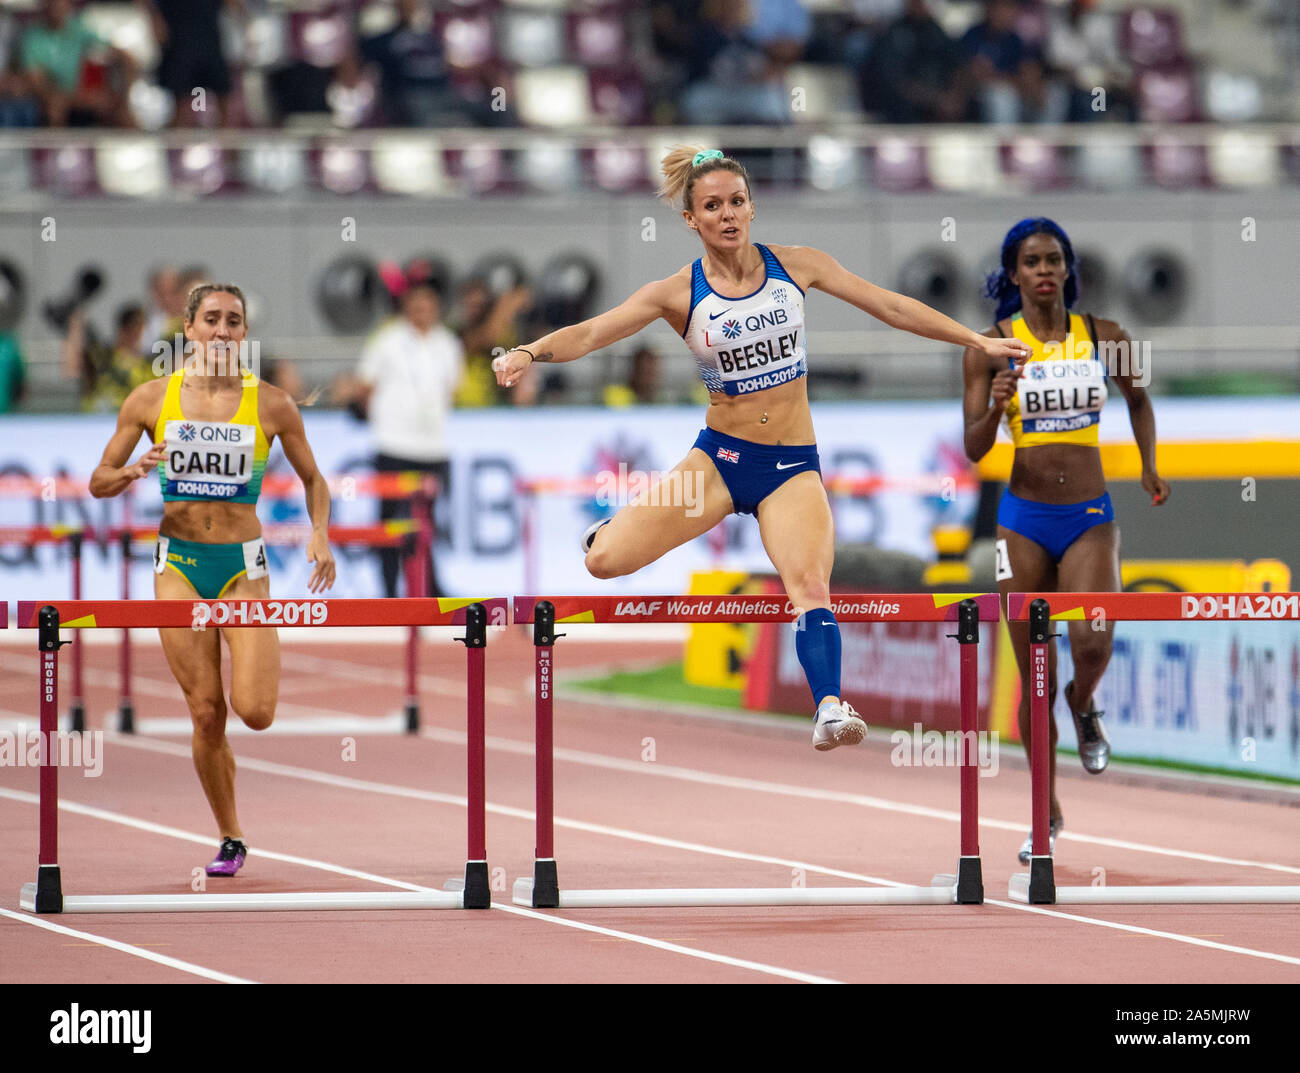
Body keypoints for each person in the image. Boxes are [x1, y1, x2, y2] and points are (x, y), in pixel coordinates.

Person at [494, 146, 1030, 751]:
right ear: (691, 220)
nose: (729, 215)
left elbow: (892, 307)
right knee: (603, 562)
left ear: (752, 207)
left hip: (790, 467)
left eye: (738, 202)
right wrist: (529, 352)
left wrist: (974, 342)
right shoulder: (677, 293)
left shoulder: (798, 266)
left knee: (809, 585)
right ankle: (603, 532)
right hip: (718, 463)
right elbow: (592, 332)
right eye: (713, 206)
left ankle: (829, 706)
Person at [89, 283, 335, 877]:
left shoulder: (272, 404)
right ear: (190, 330)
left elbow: (315, 480)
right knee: (205, 712)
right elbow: (98, 481)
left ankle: (233, 812)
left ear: (243, 334)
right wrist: (129, 471)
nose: (223, 331)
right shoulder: (151, 399)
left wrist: (320, 532)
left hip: (242, 568)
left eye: (234, 321)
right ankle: (231, 835)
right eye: (212, 320)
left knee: (255, 710)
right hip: (178, 563)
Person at [961, 217, 1170, 862]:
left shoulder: (1105, 337)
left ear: (1068, 269)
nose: (1045, 270)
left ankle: (1085, 703)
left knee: (1093, 640)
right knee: (1035, 678)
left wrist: (1148, 463)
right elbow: (973, 448)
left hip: (1089, 514)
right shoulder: (990, 346)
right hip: (1022, 519)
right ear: (1015, 274)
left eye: (1055, 259)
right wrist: (996, 405)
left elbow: (1138, 397)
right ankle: (1043, 813)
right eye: (1032, 261)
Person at [335, 277, 463, 598]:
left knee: (427, 526)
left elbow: (452, 389)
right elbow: (365, 386)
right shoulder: (387, 341)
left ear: (437, 308)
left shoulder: (448, 344)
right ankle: (389, 590)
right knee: (390, 525)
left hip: (433, 448)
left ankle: (427, 587)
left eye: (427, 304)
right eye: (415, 304)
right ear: (405, 308)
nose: (421, 311)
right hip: (393, 445)